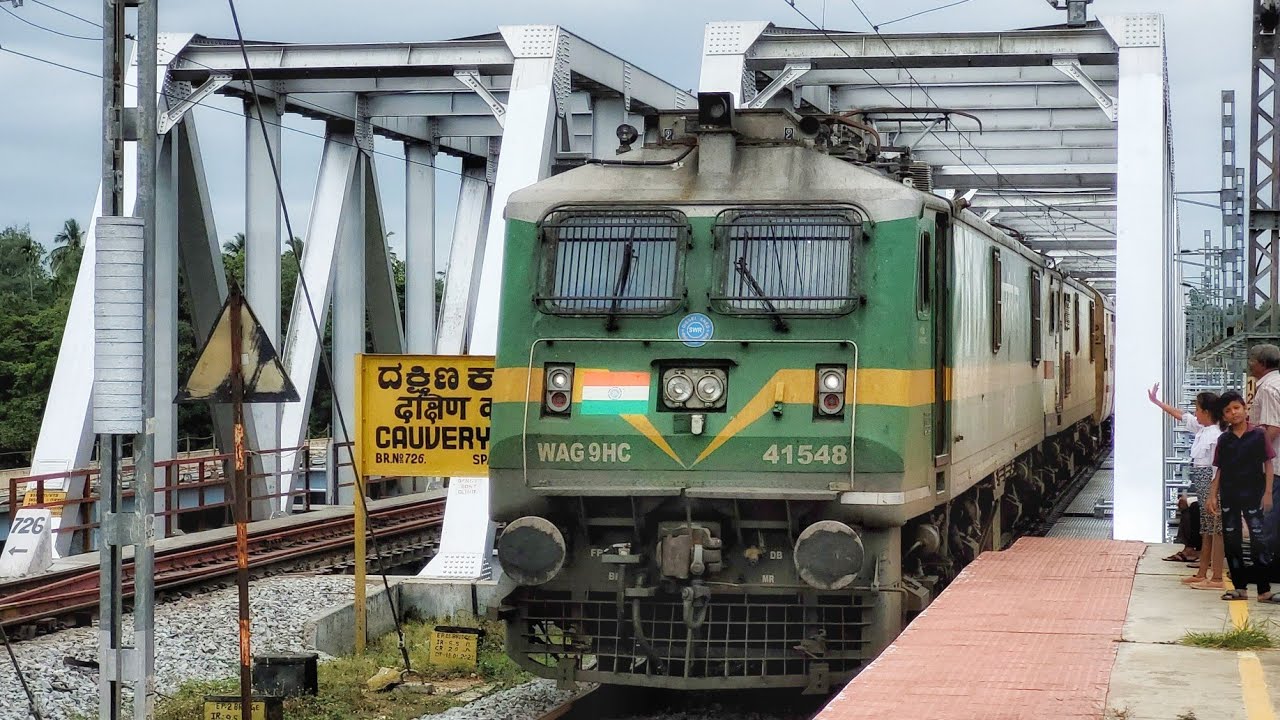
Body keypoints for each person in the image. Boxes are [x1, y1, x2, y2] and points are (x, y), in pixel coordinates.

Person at [1149, 384, 1225, 587]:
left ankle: (1215, 576)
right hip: (1203, 485)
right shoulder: (1203, 429)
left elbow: (1218, 468)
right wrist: (1157, 402)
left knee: (1214, 529)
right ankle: (1202, 572)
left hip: (1210, 484)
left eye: (1197, 409)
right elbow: (1181, 415)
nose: (1194, 413)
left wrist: (1212, 493)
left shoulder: (1216, 435)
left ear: (1206, 412)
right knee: (1206, 529)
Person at [1208, 390, 1275, 602]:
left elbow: (1268, 464)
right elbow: (1220, 469)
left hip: (1253, 494)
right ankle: (1240, 588)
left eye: (1236, 408)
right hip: (1229, 495)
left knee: (1259, 540)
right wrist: (1212, 495)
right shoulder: (1224, 440)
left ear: (1245, 408)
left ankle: (1264, 590)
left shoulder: (1258, 435)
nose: (1233, 413)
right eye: (1228, 411)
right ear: (1224, 416)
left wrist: (1267, 493)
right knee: (1232, 540)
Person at [1245, 343, 1280, 604]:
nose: (1249, 364)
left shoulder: (1267, 388)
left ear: (1261, 363)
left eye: (1251, 360)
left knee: (1266, 524)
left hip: (1274, 469)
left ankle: (1264, 582)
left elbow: (1273, 427)